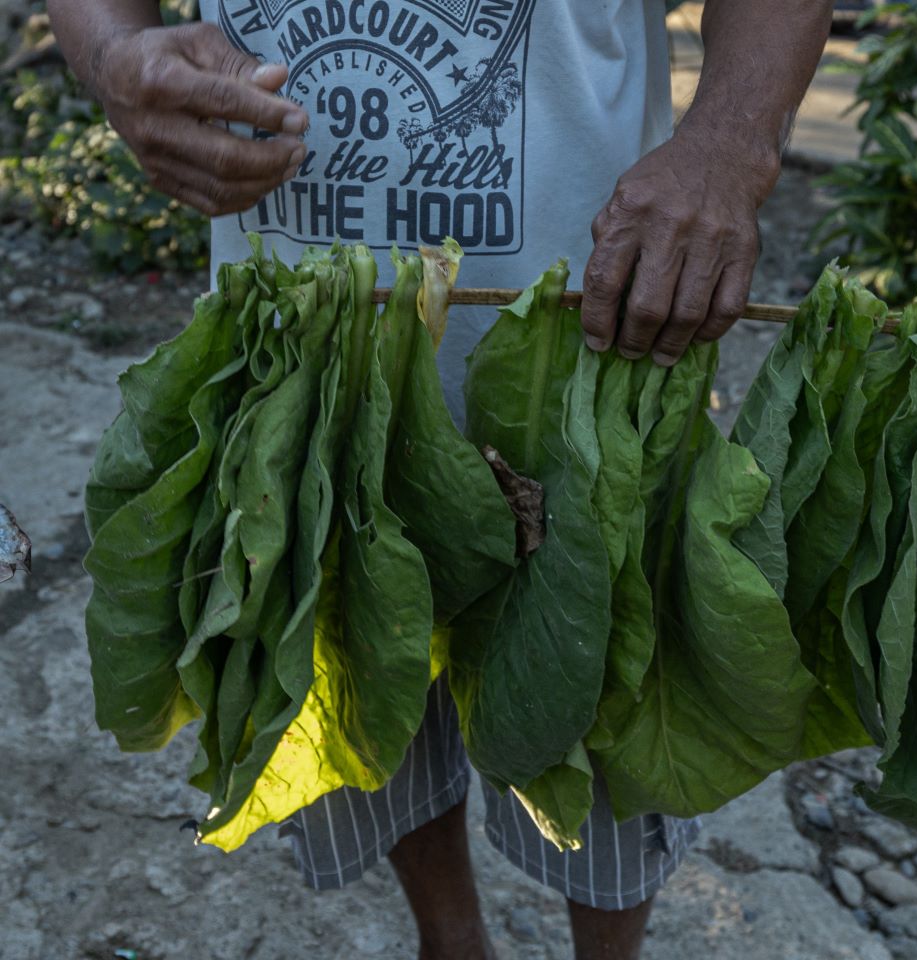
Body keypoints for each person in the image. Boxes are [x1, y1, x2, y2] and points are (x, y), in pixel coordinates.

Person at [46, 2, 832, 958]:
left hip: (591, 341)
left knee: (607, 712)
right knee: (363, 689)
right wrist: (114, 54)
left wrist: (729, 143)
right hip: (308, 351)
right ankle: (450, 941)